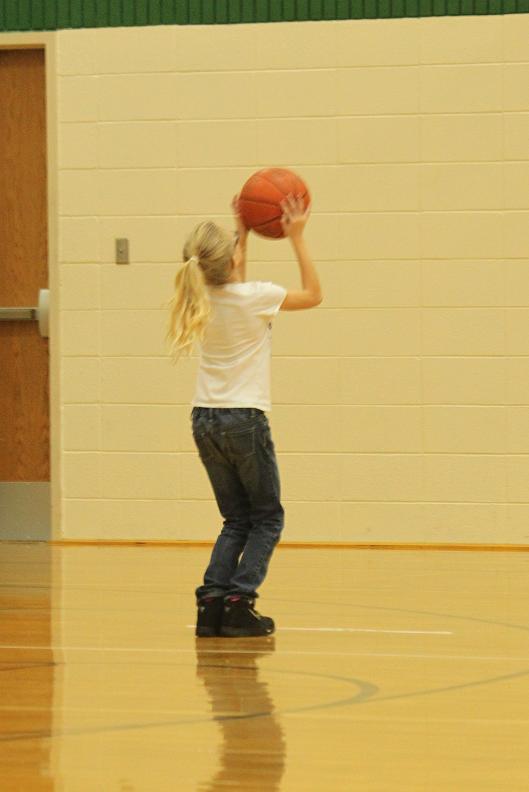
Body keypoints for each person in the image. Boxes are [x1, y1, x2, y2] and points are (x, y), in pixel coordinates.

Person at [165, 194, 322, 637]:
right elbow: (314, 295)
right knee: (267, 517)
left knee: (235, 519)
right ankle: (240, 601)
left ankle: (212, 603)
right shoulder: (257, 297)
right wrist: (297, 239)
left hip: (204, 419)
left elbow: (234, 276)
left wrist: (243, 232)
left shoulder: (200, 297)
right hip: (244, 419)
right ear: (231, 258)